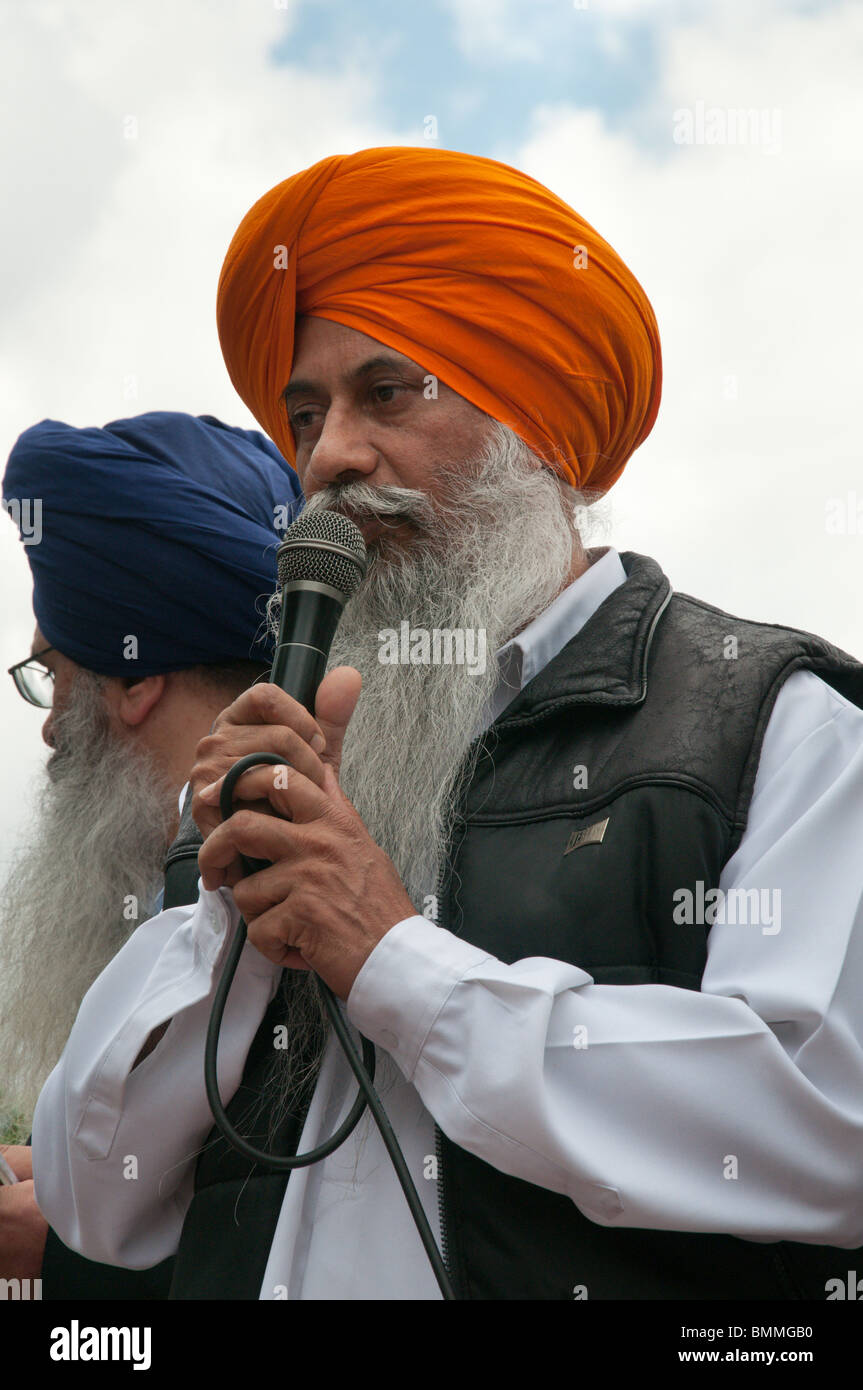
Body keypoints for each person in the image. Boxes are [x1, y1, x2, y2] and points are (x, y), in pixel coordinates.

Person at [32, 148, 863, 1300]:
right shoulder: (300, 754)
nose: (328, 459)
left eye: (386, 394)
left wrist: (387, 958)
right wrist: (227, 915)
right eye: (305, 414)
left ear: (537, 417)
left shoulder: (771, 721)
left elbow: (826, 1130)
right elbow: (94, 1195)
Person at [0, 410, 302, 1293]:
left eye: (54, 677)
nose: (52, 727)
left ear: (135, 679)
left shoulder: (310, 896)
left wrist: (64, 1264)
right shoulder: (170, 885)